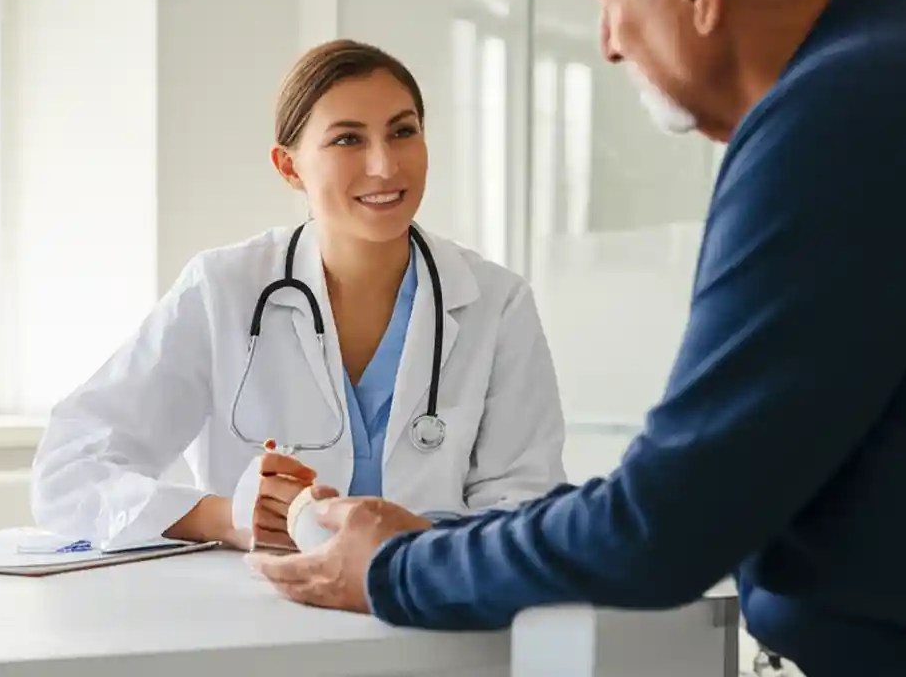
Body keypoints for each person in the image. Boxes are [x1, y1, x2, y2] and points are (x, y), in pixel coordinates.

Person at [248, 0, 906, 675]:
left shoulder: (848, 114)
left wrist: (399, 570)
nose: (608, 40)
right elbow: (704, 489)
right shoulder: (895, 77)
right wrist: (440, 536)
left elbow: (665, 525)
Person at [31, 39, 566, 553]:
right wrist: (228, 519)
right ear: (289, 167)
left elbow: (527, 506)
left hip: (430, 613)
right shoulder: (224, 289)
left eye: (403, 132)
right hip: (259, 617)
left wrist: (418, 542)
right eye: (347, 139)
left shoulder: (496, 303)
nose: (384, 165)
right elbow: (68, 471)